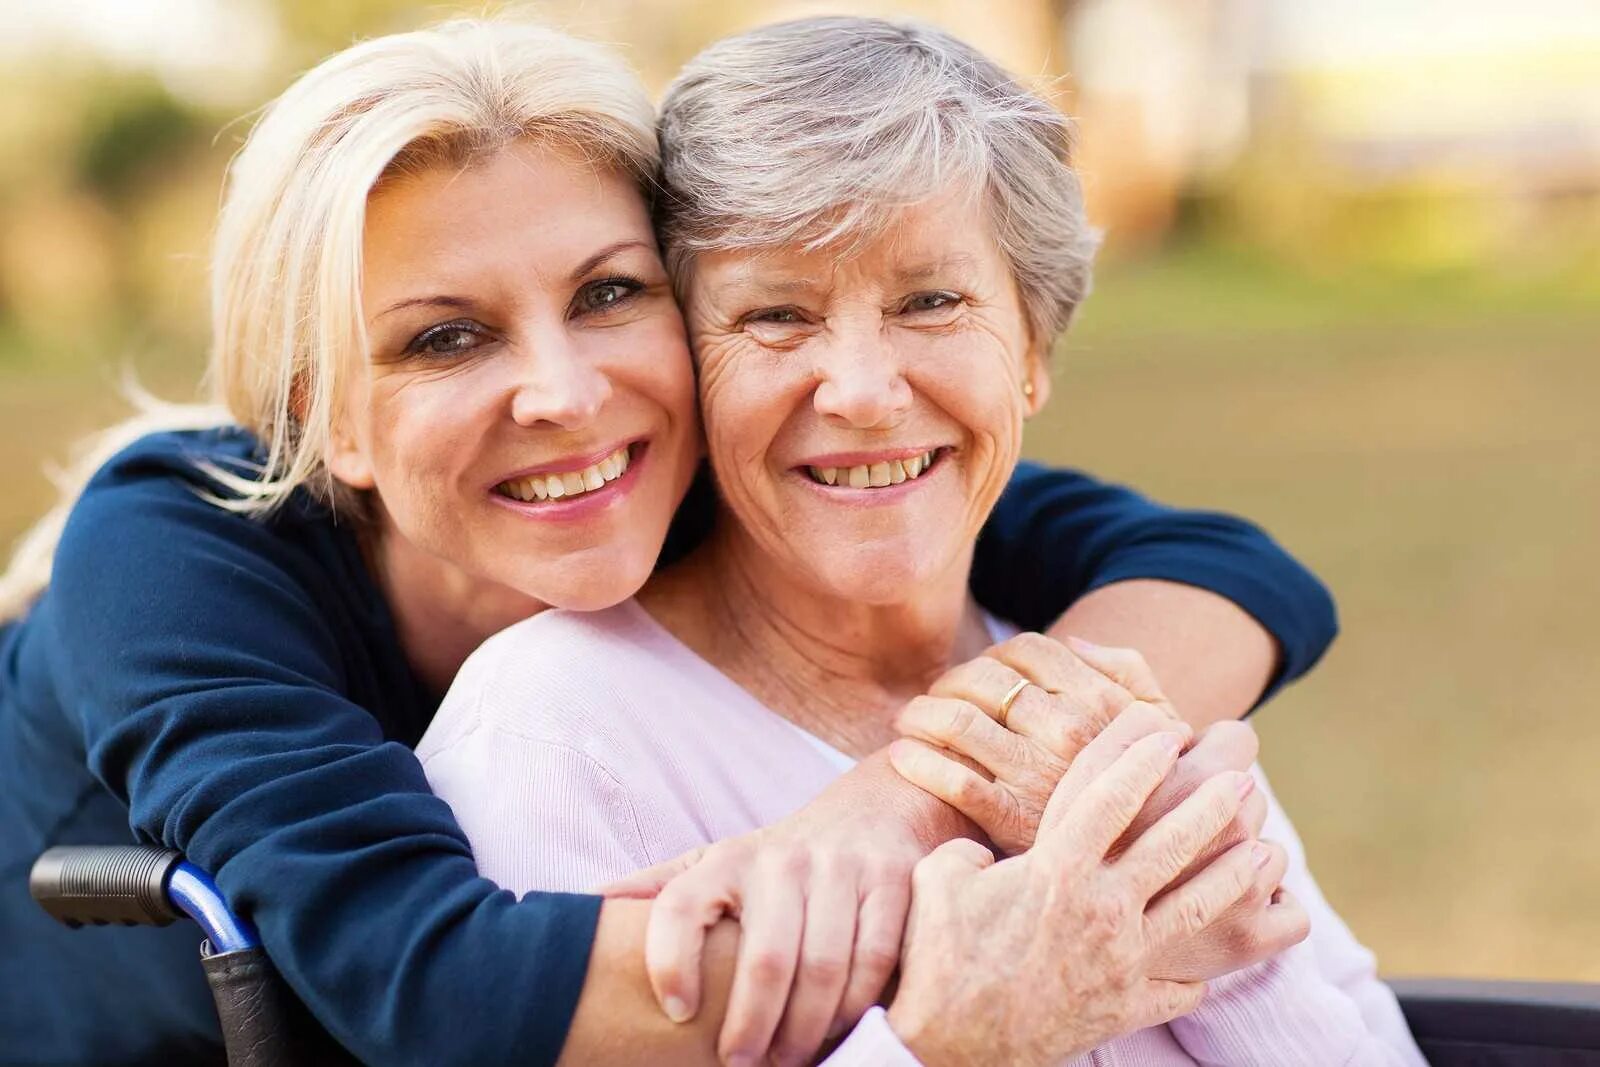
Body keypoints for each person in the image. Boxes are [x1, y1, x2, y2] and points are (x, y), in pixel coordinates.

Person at [0, 18, 1336, 1066]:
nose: (568, 393)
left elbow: (1230, 573)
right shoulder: (170, 555)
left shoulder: (681, 467)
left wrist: (897, 805)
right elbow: (442, 995)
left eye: (610, 294)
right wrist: (989, 966)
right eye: (445, 336)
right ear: (324, 414)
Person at [418, 15, 1425, 1066]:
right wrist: (951, 1041)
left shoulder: (1105, 682)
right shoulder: (556, 738)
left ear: (1032, 348)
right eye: (775, 316)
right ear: (685, 365)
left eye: (931, 299)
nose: (860, 391)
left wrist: (1181, 892)